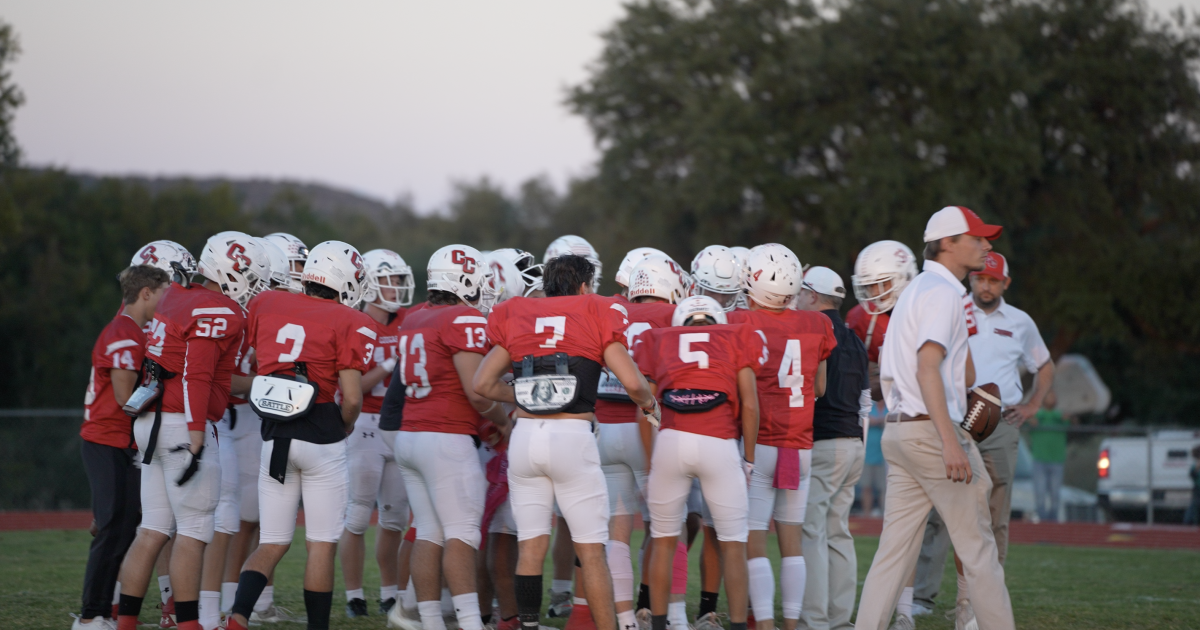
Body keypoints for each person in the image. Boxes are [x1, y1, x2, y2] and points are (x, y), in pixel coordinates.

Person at [473, 253, 660, 630]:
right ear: (584, 285)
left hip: (525, 439)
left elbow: (481, 386)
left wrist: (530, 394)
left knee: (531, 548)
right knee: (591, 551)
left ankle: (526, 625)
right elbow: (635, 382)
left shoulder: (518, 314)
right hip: (572, 436)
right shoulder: (595, 310)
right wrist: (651, 406)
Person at [854, 205, 1014, 630]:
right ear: (947, 243)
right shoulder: (944, 293)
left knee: (892, 556)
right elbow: (929, 367)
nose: (986, 244)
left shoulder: (917, 290)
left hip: (900, 430)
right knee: (979, 550)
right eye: (976, 237)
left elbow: (949, 371)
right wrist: (950, 440)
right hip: (930, 432)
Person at [221, 240, 375, 630]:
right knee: (320, 543)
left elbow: (257, 361)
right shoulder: (350, 320)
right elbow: (353, 398)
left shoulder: (267, 303)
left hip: (274, 433)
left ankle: (238, 616)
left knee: (272, 540)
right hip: (322, 430)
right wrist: (345, 423)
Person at [115, 232, 262, 630]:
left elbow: (199, 371)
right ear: (234, 274)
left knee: (152, 530)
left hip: (151, 419)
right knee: (194, 533)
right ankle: (189, 625)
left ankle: (124, 621)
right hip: (183, 424)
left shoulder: (176, 295)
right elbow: (196, 373)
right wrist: (197, 432)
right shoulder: (220, 311)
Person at [913, 251, 1054, 622]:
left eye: (993, 280)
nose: (986, 286)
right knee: (938, 512)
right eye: (980, 279)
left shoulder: (1021, 322)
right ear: (971, 279)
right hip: (956, 419)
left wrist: (1031, 405)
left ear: (1005, 283)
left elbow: (1044, 365)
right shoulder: (954, 308)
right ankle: (923, 597)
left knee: (994, 513)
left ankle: (982, 599)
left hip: (1001, 424)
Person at [390, 245, 510, 630]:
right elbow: (477, 391)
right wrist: (503, 420)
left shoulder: (413, 317)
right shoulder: (463, 317)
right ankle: (471, 622)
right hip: (445, 439)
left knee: (429, 530)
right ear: (465, 279)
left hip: (410, 435)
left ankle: (427, 620)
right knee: (461, 533)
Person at [634, 295, 764, 630]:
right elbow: (750, 406)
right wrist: (748, 459)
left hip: (672, 441)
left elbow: (644, 406)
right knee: (734, 544)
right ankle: (736, 625)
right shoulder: (737, 335)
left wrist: (652, 464)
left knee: (663, 540)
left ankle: (660, 624)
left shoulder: (658, 339)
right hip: (719, 442)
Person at [728, 244, 837, 630]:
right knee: (792, 543)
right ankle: (792, 624)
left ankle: (768, 624)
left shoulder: (738, 320)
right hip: (800, 444)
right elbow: (820, 387)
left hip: (758, 444)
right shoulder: (818, 324)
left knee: (755, 540)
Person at [75, 264, 171, 629]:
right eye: (163, 293)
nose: (166, 301)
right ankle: (90, 616)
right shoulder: (125, 335)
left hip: (122, 441)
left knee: (126, 525)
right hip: (107, 441)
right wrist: (168, 399)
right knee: (113, 526)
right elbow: (125, 397)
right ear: (146, 293)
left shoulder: (135, 333)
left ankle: (102, 611)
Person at [596, 252, 685, 630]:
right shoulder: (671, 317)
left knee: (618, 530)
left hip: (604, 427)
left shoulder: (609, 310)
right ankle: (673, 614)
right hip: (648, 425)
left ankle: (626, 618)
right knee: (665, 527)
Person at [793, 267, 870, 630]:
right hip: (853, 442)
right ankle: (839, 620)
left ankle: (814, 619)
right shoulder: (855, 338)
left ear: (811, 295)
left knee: (813, 530)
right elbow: (866, 400)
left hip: (825, 442)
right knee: (838, 531)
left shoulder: (812, 329)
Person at [341, 249, 416, 618]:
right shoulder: (355, 322)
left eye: (399, 279)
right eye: (389, 279)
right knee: (356, 516)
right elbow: (354, 385)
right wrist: (391, 363)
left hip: (398, 424)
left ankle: (390, 593)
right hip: (364, 425)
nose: (397, 287)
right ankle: (354, 594)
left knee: (394, 517)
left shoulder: (409, 320)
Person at [1028, 390, 1069, 523]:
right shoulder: (1037, 417)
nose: (1051, 398)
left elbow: (1069, 422)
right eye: (1049, 396)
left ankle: (1053, 523)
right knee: (1040, 494)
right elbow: (1029, 422)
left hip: (1057, 461)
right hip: (1039, 460)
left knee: (1055, 495)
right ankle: (1042, 523)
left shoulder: (1061, 417)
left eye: (1053, 396)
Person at [1185, 445, 1200, 526]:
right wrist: (1197, 468)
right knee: (1195, 507)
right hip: (1197, 489)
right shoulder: (1195, 465)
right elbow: (1192, 475)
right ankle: (1192, 523)